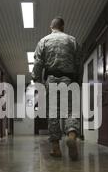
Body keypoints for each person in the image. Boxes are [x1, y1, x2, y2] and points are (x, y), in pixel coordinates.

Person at [31, 17, 83, 161]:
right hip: (69, 80)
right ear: (63, 27)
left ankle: (56, 149)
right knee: (71, 110)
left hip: (51, 80)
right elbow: (79, 63)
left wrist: (37, 81)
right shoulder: (72, 41)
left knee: (53, 113)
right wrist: (78, 81)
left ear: (51, 27)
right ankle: (72, 135)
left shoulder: (44, 41)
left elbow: (38, 63)